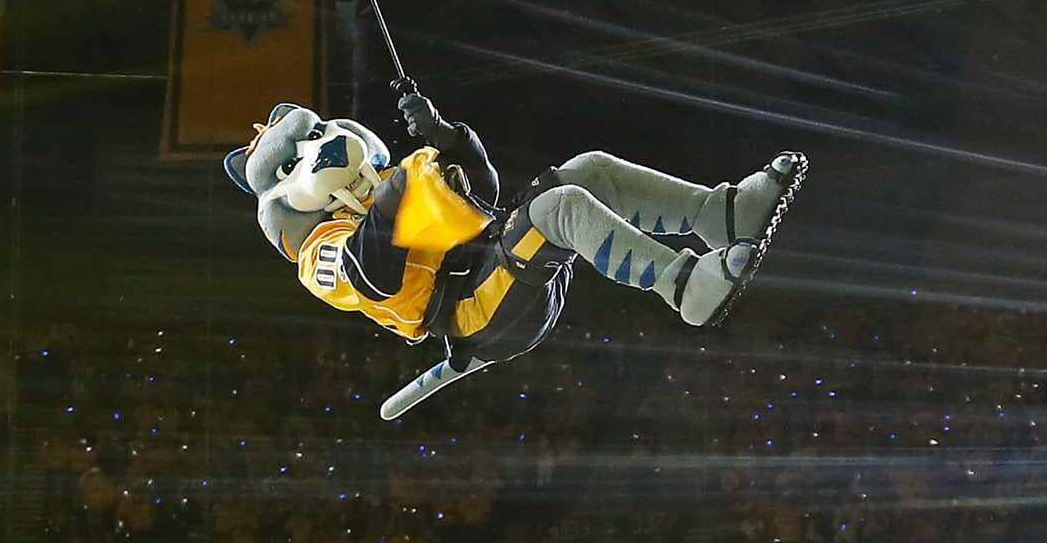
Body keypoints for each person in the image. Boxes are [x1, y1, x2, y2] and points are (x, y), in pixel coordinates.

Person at [225, 90, 806, 400]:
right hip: (473, 312)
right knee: (558, 209)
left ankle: (721, 214)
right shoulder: (317, 251)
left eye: (316, 135)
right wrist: (399, 190)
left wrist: (450, 141)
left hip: (495, 261)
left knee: (588, 170)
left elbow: (482, 196)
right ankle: (684, 287)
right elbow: (372, 275)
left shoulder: (394, 183)